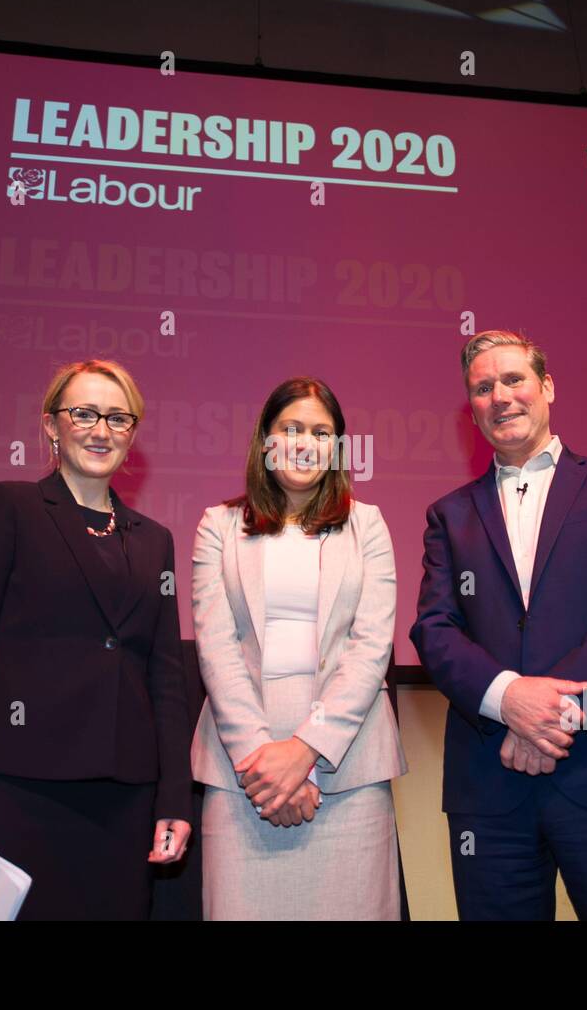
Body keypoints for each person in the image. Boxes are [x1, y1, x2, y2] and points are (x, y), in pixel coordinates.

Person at [410, 330, 587, 921]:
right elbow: (435, 629)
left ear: (547, 387)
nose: (500, 397)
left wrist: (550, 711)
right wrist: (508, 698)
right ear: (472, 409)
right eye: (483, 388)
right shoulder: (449, 516)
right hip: (491, 792)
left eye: (514, 379)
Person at [0, 359, 193, 920]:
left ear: (132, 434)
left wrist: (174, 797)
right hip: (12, 793)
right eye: (84, 414)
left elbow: (165, 678)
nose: (101, 430)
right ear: (51, 425)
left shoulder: (155, 541)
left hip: (122, 807)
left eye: (118, 418)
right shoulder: (9, 509)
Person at [190, 376, 408, 920]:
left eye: (320, 432)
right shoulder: (218, 526)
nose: (304, 443)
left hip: (348, 773)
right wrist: (264, 765)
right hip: (244, 776)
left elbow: (370, 650)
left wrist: (305, 753)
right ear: (265, 440)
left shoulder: (368, 526)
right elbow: (217, 652)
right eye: (290, 429)